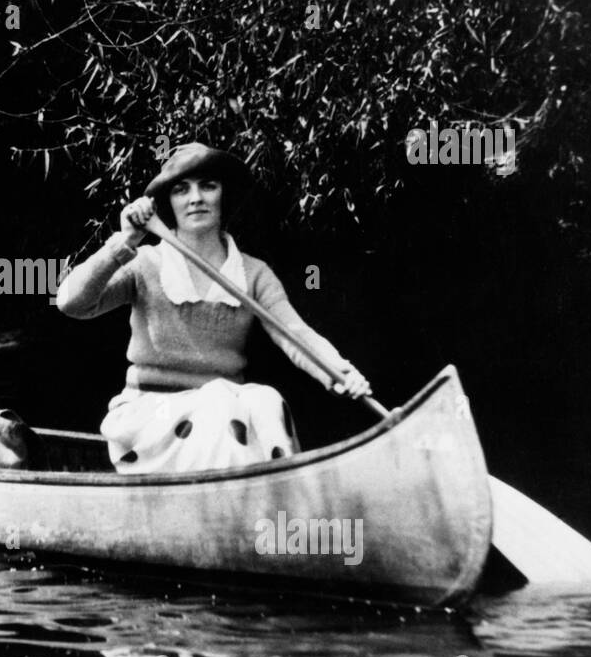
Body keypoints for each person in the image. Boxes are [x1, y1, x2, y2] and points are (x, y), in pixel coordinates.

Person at [56, 142, 369, 474]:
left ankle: (267, 513)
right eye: (181, 190)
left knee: (264, 400)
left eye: (208, 185)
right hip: (151, 418)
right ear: (169, 203)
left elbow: (295, 334)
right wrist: (124, 242)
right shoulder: (147, 263)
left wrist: (339, 373)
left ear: (224, 195)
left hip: (227, 417)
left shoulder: (253, 273)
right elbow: (71, 303)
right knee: (219, 404)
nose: (195, 198)